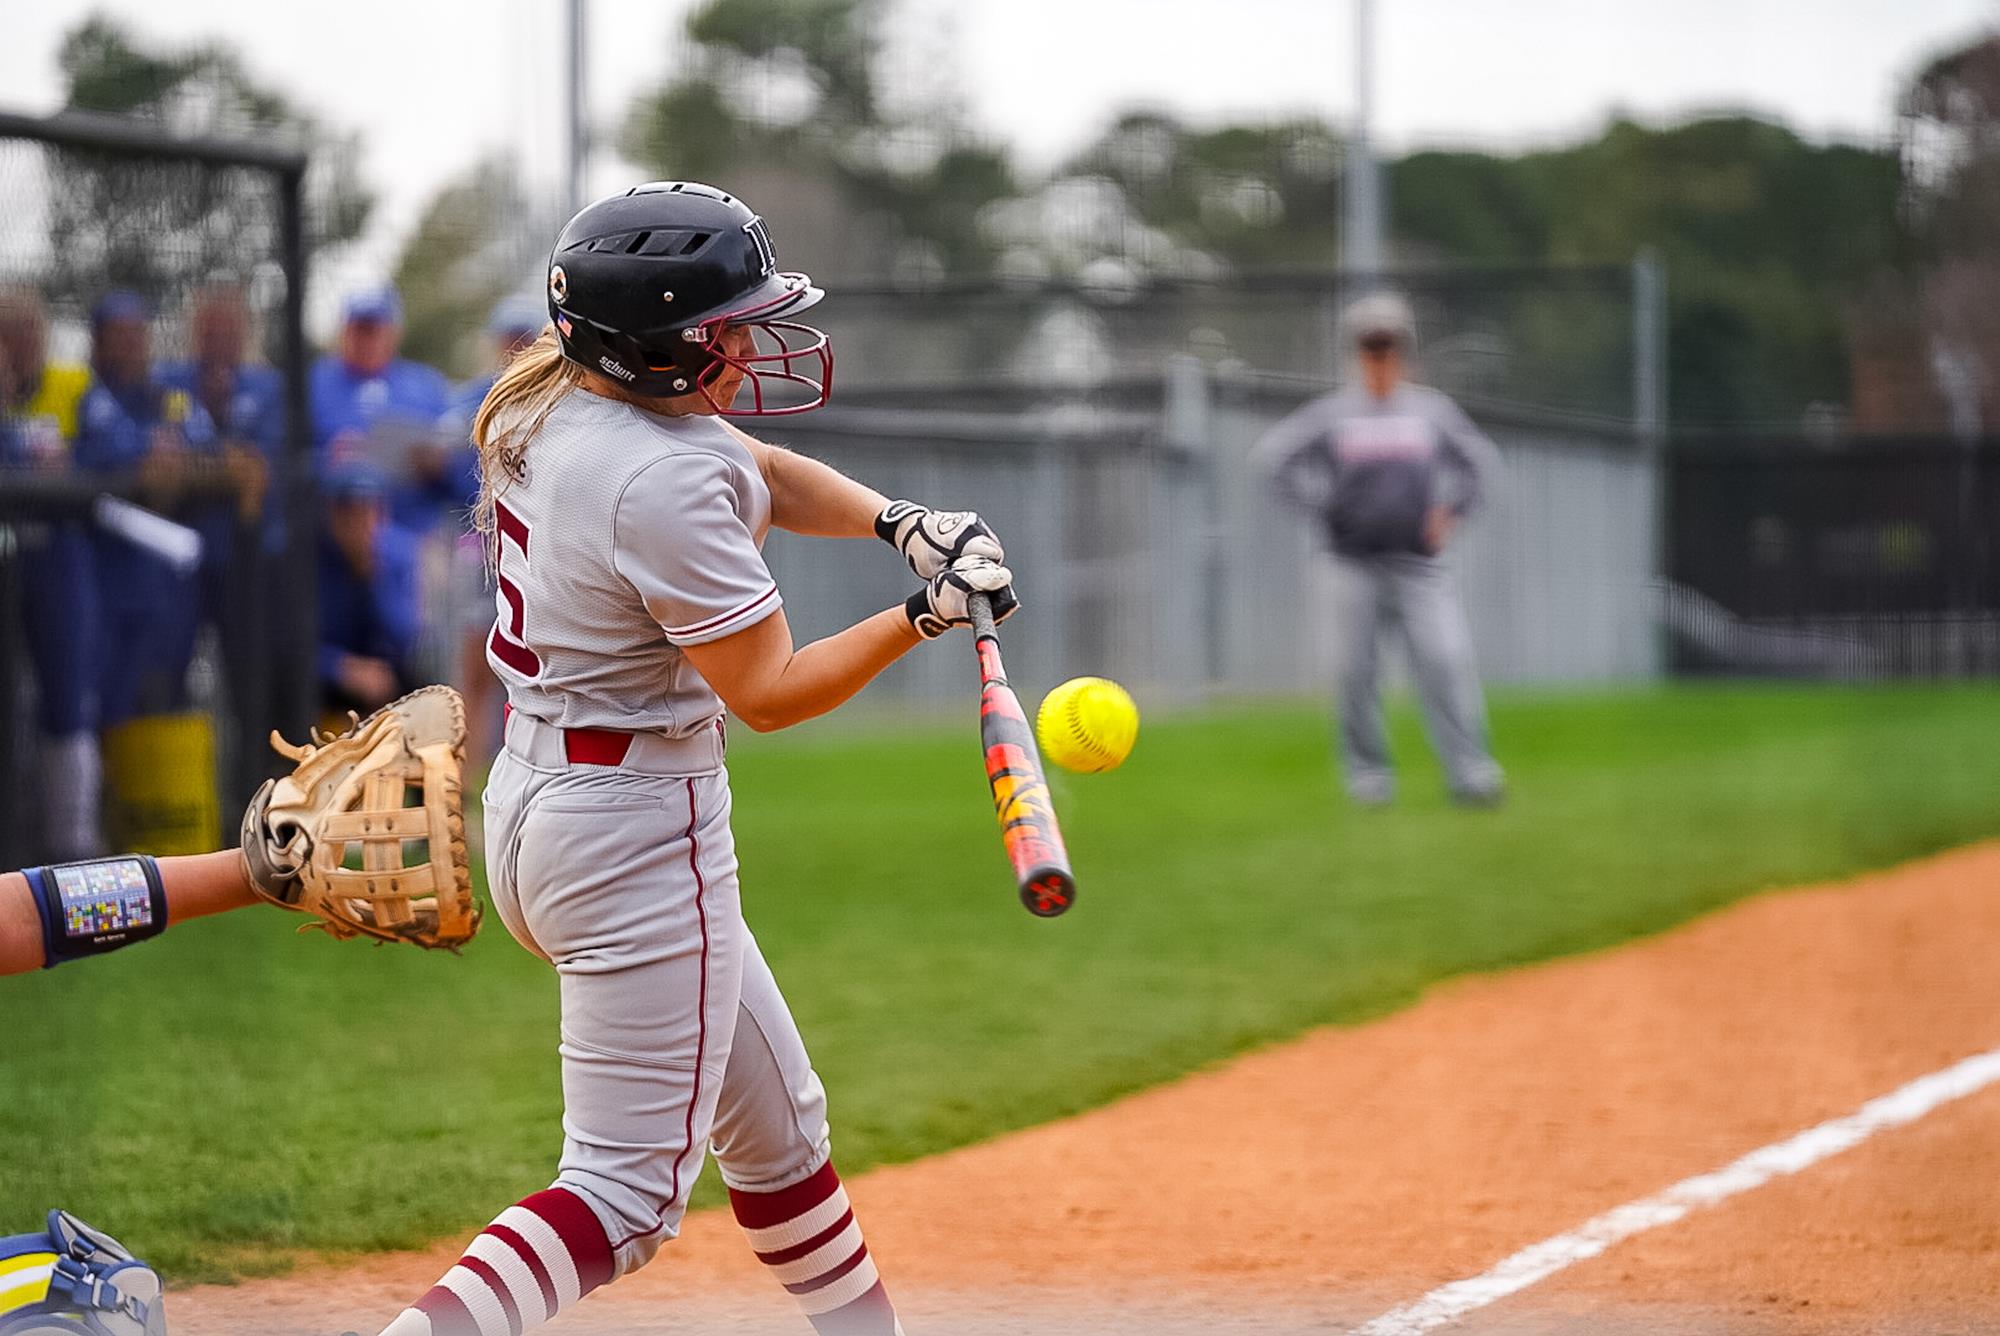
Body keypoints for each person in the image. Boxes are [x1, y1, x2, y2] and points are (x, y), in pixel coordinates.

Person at [366, 181, 1017, 1336]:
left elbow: (755, 469)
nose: (748, 341)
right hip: (633, 831)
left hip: (544, 803)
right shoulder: (658, 479)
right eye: (721, 327)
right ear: (648, 346)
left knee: (776, 1129)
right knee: (619, 1198)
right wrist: (922, 615)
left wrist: (897, 523)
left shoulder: (557, 398)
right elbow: (766, 692)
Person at [1256, 291, 1506, 807]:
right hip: (1350, 566)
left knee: (1445, 662)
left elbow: (1479, 465)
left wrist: (1452, 512)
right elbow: (1273, 463)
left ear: (1404, 352)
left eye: (1388, 346)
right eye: (1370, 347)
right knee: (1354, 673)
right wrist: (1322, 510)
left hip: (1420, 566)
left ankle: (1471, 774)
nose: (1379, 357)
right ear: (1356, 353)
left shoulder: (1431, 412)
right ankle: (1368, 780)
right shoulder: (1332, 415)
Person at [73, 291, 219, 731]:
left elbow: (201, 436)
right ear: (98, 342)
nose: (131, 344)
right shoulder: (92, 395)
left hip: (169, 585)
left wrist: (172, 451)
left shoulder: (167, 396)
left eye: (137, 333)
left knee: (169, 703)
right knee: (112, 708)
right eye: (118, 335)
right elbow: (108, 444)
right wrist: (149, 448)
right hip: (110, 580)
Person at [1, 289, 97, 859]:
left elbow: (101, 456)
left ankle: (73, 846)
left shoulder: (71, 387)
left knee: (65, 703)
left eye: (26, 334)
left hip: (58, 568)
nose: (17, 347)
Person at [441, 292, 545, 764]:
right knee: (475, 671)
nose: (518, 350)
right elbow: (442, 471)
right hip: (480, 543)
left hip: (541, 548)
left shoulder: (556, 398)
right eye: (511, 340)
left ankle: (520, 778)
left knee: (534, 669)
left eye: (526, 339)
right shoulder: (471, 400)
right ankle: (457, 799)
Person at [310, 284, 454, 536]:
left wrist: (439, 464)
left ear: (393, 333)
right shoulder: (314, 384)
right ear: (344, 331)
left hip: (413, 529)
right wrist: (329, 460)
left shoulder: (426, 386)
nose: (366, 339)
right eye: (359, 329)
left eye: (374, 330)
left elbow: (460, 471)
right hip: (332, 534)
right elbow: (284, 460)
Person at [318, 462, 420, 716]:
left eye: (369, 511)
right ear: (333, 516)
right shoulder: (311, 562)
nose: (362, 523)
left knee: (418, 689)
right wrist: (342, 668)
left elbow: (403, 638)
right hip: (327, 676)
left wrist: (373, 574)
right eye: (351, 513)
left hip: (381, 675)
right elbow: (294, 646)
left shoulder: (396, 556)